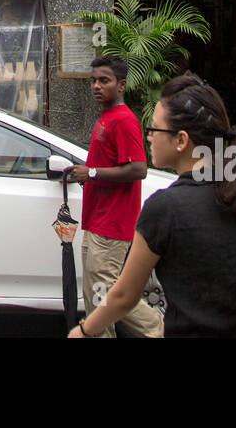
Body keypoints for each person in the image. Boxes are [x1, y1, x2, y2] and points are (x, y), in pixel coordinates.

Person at [69, 74, 236, 338]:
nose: (149, 137)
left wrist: (84, 331)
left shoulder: (164, 208)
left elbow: (123, 297)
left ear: (181, 140)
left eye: (154, 129)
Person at [65, 55, 163, 338]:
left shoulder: (123, 120)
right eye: (93, 81)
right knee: (96, 295)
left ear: (121, 85)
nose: (97, 86)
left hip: (112, 225)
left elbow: (138, 169)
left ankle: (158, 329)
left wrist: (92, 173)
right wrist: (86, 175)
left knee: (107, 292)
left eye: (104, 81)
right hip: (97, 221)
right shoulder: (107, 117)